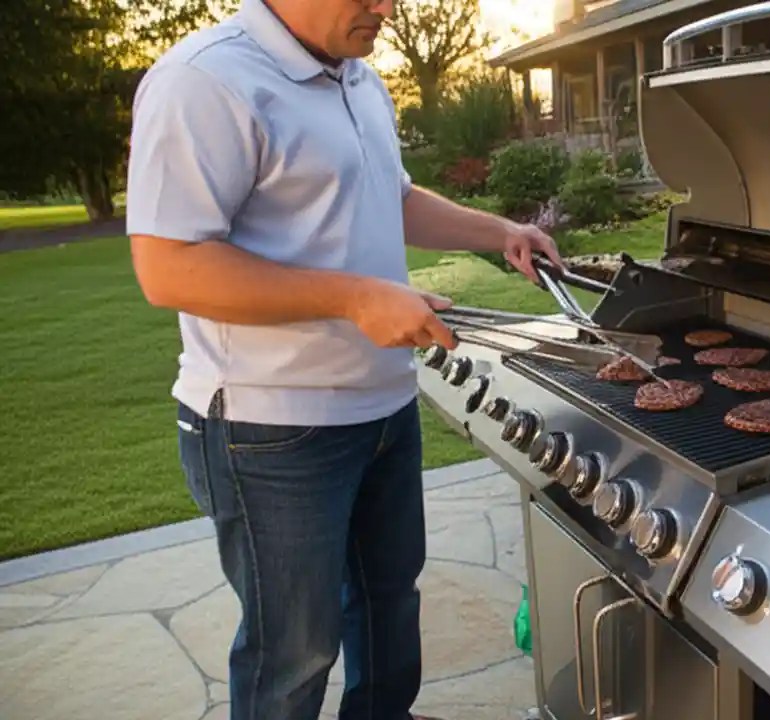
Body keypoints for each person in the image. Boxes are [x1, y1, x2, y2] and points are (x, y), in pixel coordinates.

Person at [125, 0, 561, 718]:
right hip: (271, 431)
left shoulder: (358, 76)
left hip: (384, 408)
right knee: (293, 657)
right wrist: (357, 299)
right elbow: (170, 268)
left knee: (389, 613)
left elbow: (389, 196)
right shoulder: (205, 81)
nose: (385, 8)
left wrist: (499, 231)